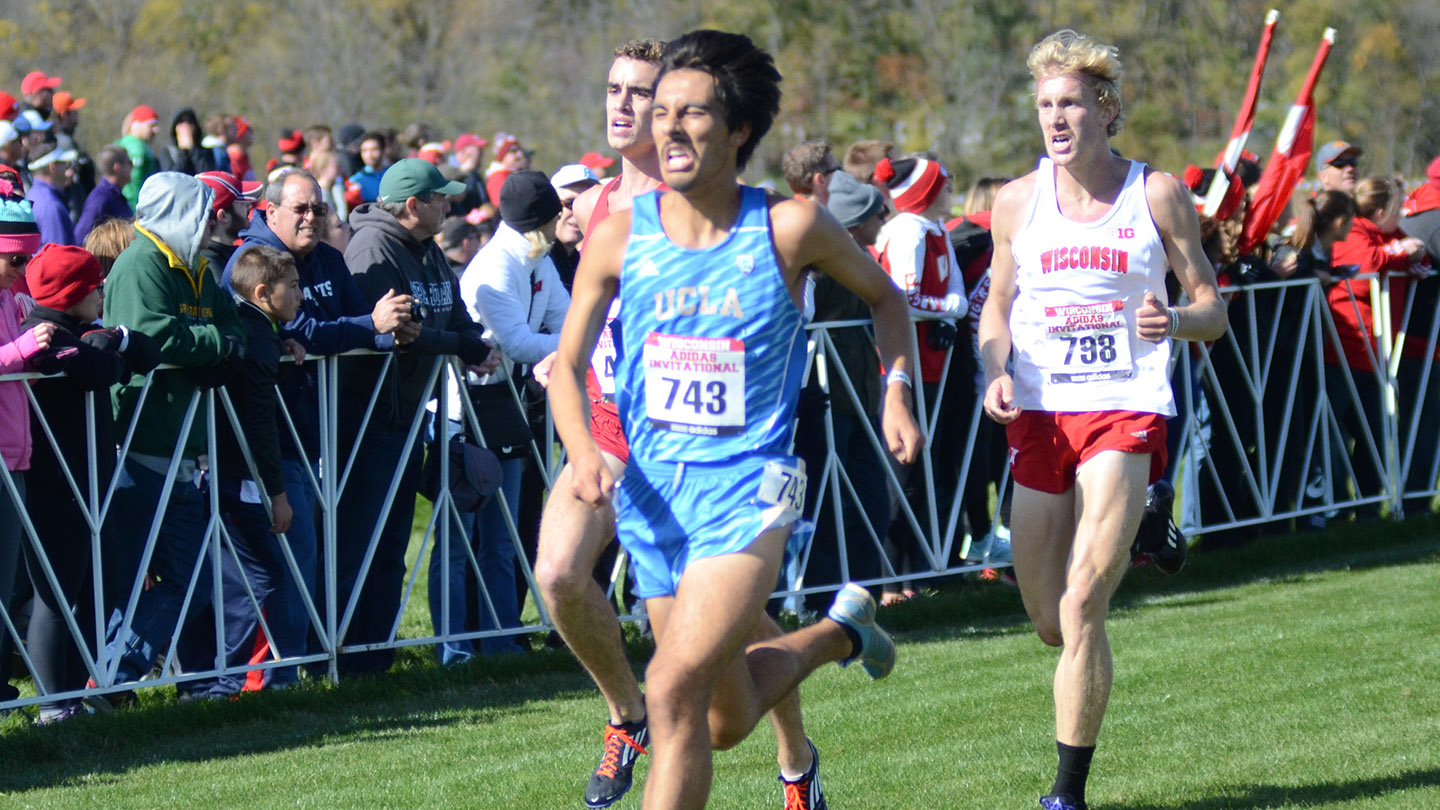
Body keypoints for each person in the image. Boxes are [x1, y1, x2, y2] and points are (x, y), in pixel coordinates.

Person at [549, 30, 923, 810]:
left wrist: (896, 390)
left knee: (669, 686)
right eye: (662, 112)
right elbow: (569, 368)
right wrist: (583, 450)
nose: (670, 128)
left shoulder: (790, 228)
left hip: (752, 493)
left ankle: (833, 638)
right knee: (719, 720)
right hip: (653, 500)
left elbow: (888, 299)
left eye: (694, 113)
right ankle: (839, 633)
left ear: (740, 129)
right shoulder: (618, 236)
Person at [978, 30, 1226, 810]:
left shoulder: (1154, 194)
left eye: (1072, 104)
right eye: (1046, 105)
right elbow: (995, 305)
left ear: (1105, 110)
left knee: (1085, 604)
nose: (1056, 120)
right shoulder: (1016, 202)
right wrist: (993, 370)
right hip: (1041, 413)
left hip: (1125, 405)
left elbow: (1211, 309)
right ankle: (1149, 531)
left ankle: (1065, 795)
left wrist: (1174, 322)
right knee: (1050, 621)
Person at [223, 167, 415, 685]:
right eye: (301, 209)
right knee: (288, 563)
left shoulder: (328, 258)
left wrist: (384, 331)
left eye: (319, 209)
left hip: (322, 432)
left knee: (319, 556)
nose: (312, 218)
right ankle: (278, 677)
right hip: (271, 437)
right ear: (269, 211)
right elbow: (300, 327)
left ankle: (313, 663)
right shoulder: (253, 261)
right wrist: (365, 329)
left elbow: (351, 323)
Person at [90, 172, 247, 708]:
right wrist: (215, 346)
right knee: (134, 578)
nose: (212, 224)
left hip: (182, 449)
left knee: (190, 581)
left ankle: (114, 674)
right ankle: (108, 677)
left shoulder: (198, 265)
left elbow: (237, 332)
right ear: (181, 213)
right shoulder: (141, 262)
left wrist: (214, 345)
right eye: (204, 212)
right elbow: (153, 339)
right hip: (140, 444)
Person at [340, 158, 493, 674]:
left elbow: (455, 317)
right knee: (366, 539)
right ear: (413, 206)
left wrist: (467, 340)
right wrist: (463, 346)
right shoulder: (373, 248)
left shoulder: (427, 250)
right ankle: (352, 658)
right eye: (440, 199)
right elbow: (402, 332)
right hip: (369, 420)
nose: (449, 206)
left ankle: (377, 656)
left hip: (407, 416)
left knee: (393, 543)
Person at [20, 244, 160, 723]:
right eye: (94, 286)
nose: (103, 291)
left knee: (101, 586)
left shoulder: (84, 330)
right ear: (71, 293)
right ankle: (52, 705)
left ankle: (72, 697)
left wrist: (115, 338)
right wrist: (107, 349)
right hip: (52, 481)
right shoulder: (39, 330)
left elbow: (147, 352)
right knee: (57, 593)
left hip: (93, 479)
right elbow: (99, 370)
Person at [176, 245, 305, 699]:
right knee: (258, 577)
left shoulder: (255, 329)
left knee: (236, 577)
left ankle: (214, 678)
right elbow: (259, 422)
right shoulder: (254, 338)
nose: (302, 296)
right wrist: (277, 492)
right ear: (264, 292)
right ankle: (229, 679)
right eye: (293, 287)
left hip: (221, 469)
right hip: (236, 475)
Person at [0, 201, 55, 712]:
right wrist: (20, 352)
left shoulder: (8, 299)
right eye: (15, 260)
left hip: (16, 453)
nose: (23, 270)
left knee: (8, 577)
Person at [196, 170, 260, 280]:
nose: (249, 206)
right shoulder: (210, 267)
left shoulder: (229, 254)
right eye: (242, 202)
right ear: (223, 216)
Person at [549, 163, 601, 289]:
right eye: (570, 203)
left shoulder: (583, 263)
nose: (578, 212)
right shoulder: (538, 261)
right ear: (550, 204)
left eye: (587, 204)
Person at [75, 144, 133, 243]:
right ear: (117, 167)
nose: (132, 166)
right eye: (129, 162)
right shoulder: (100, 198)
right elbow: (81, 237)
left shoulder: (114, 195)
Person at [25, 141, 79, 246]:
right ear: (52, 167)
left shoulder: (35, 195)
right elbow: (58, 256)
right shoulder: (50, 205)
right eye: (63, 163)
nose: (67, 167)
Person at [117, 105, 161, 209]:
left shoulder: (126, 143)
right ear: (137, 125)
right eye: (151, 125)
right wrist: (136, 209)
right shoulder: (137, 148)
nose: (156, 130)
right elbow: (134, 181)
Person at [781, 140, 842, 206]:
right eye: (838, 169)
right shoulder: (815, 215)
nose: (843, 175)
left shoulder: (788, 212)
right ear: (820, 180)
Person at [157, 108, 216, 175]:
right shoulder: (167, 152)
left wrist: (193, 149)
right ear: (175, 128)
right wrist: (183, 151)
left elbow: (206, 174)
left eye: (189, 122)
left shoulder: (206, 152)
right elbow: (171, 177)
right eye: (181, 122)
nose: (185, 125)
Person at [348, 131, 387, 203]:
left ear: (383, 150)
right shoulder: (355, 180)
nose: (369, 155)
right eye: (365, 151)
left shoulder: (391, 174)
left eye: (374, 149)